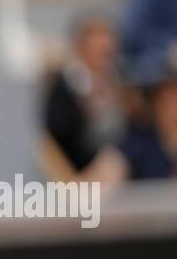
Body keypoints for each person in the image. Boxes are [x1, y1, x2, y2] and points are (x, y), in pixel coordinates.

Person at [43, 14, 126, 173]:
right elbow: (57, 136)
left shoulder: (123, 83)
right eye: (99, 49)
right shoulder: (64, 88)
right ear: (80, 48)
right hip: (78, 173)